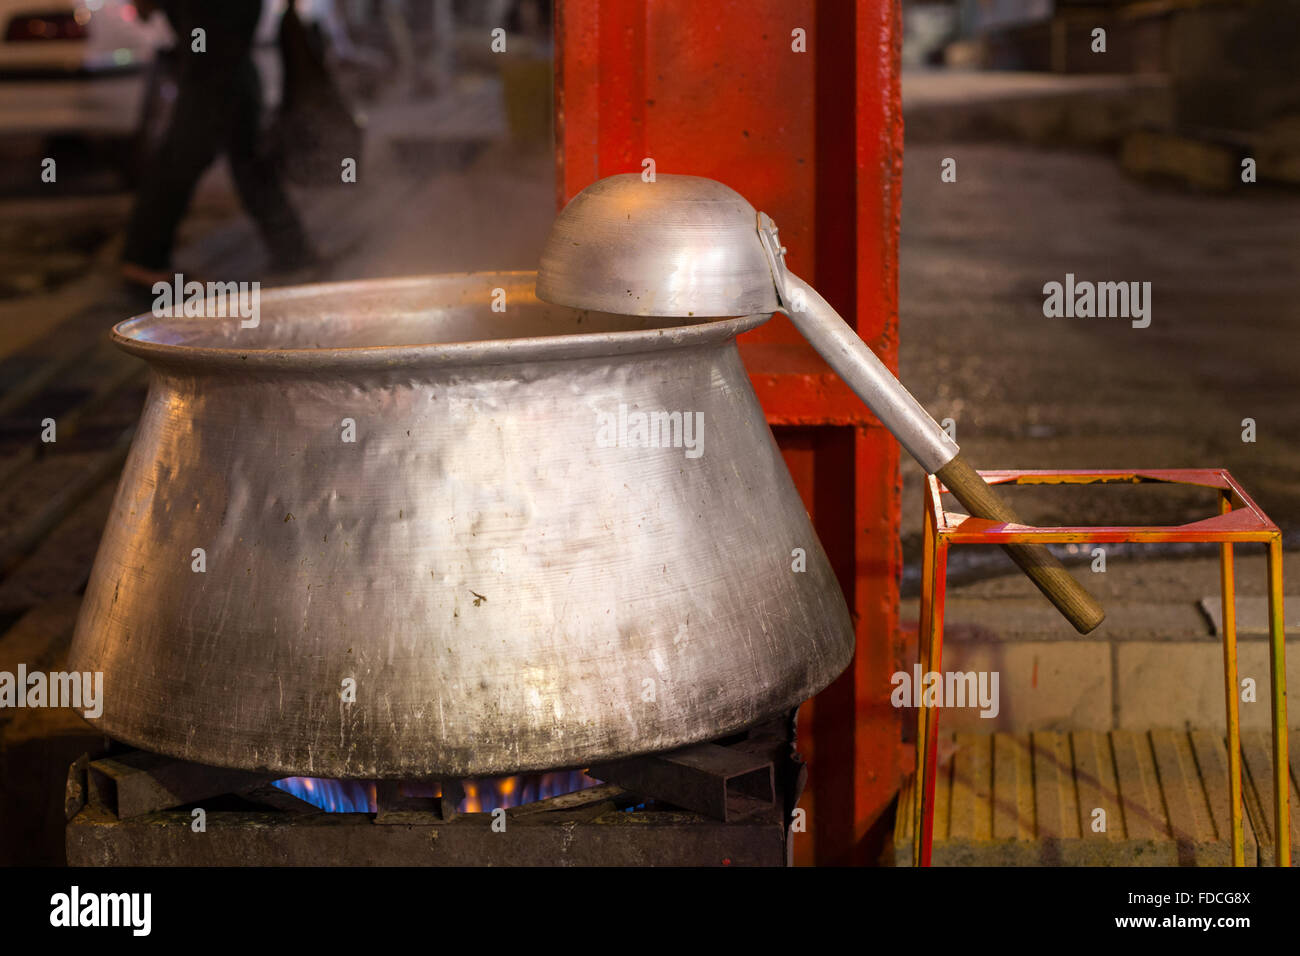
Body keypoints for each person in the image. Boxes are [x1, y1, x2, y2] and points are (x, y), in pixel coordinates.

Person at [122, 0, 315, 286]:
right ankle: (143, 256)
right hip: (212, 45)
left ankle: (291, 249)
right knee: (189, 149)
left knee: (246, 149)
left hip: (225, 45)